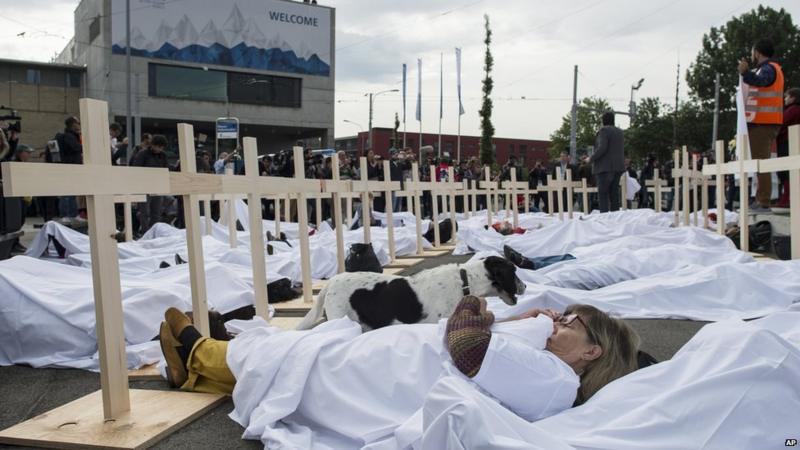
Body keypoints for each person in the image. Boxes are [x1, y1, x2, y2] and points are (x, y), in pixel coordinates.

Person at [157, 295, 640, 444]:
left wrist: (475, 305)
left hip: (392, 378)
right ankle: (204, 359)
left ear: (591, 352)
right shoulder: (546, 369)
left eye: (569, 321)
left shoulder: (554, 377)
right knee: (306, 358)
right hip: (399, 367)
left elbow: (469, 347)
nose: (557, 321)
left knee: (311, 365)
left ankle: (197, 355)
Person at [738, 38, 785, 213]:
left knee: (761, 162)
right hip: (763, 122)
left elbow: (762, 82)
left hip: (764, 123)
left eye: (752, 51)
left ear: (757, 52)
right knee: (760, 161)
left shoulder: (769, 69)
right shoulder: (769, 68)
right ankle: (762, 198)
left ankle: (763, 200)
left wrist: (745, 73)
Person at [587, 112, 625, 213]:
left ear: (603, 121)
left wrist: (590, 158)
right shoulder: (620, 132)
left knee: (603, 194)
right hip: (618, 167)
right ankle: (615, 217)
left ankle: (604, 218)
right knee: (614, 195)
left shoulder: (604, 130)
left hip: (604, 168)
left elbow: (602, 148)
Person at [132, 134, 169, 234]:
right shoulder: (143, 154)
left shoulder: (163, 155)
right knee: (144, 212)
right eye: (158, 146)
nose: (159, 149)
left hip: (157, 187)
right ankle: (145, 232)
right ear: (152, 145)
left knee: (156, 213)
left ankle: (153, 233)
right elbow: (136, 169)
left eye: (161, 147)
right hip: (144, 187)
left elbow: (166, 170)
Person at [774, 87, 800, 212]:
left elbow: (781, 124)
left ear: (793, 98)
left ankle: (787, 199)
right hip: (789, 142)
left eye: (787, 96)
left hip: (787, 143)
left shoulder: (793, 110)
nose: (785, 99)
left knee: (786, 172)